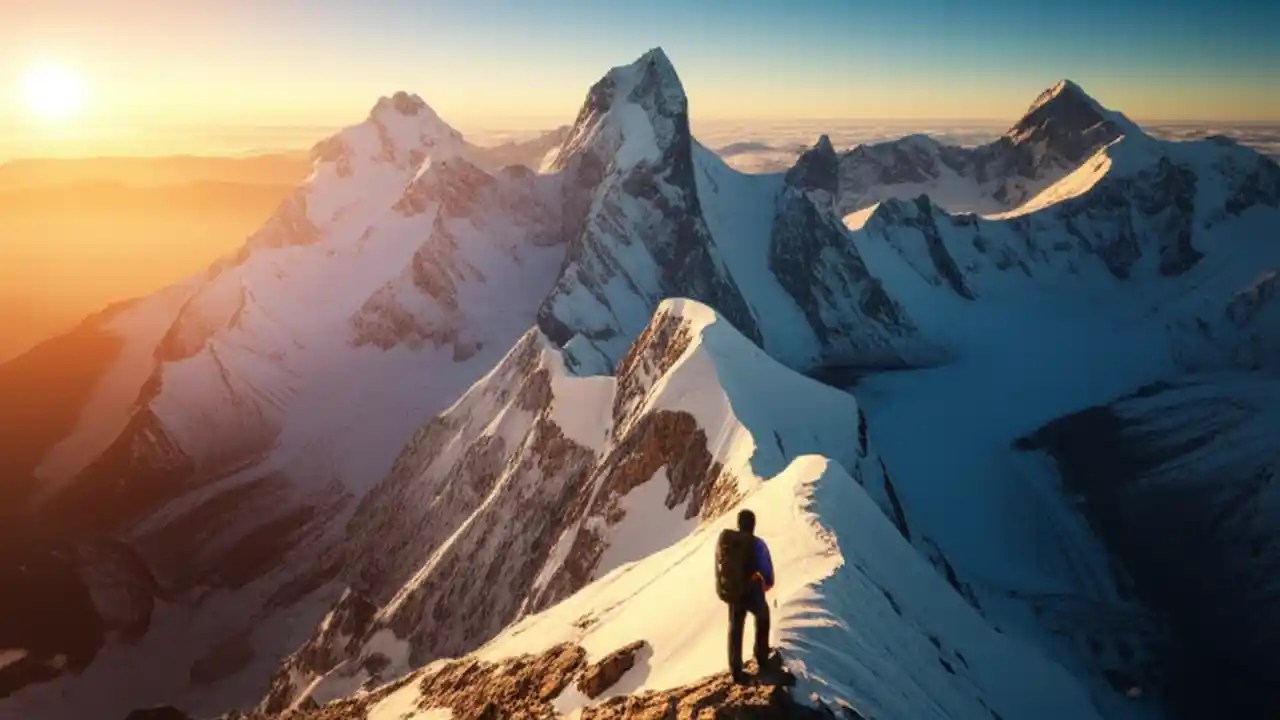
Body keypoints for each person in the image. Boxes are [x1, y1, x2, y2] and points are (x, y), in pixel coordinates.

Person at [728, 509, 774, 684]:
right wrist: (766, 583)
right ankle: (762, 657)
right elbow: (766, 571)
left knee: (735, 628)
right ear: (753, 525)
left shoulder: (728, 542)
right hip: (752, 590)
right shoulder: (757, 544)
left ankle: (736, 670)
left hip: (733, 591)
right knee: (763, 618)